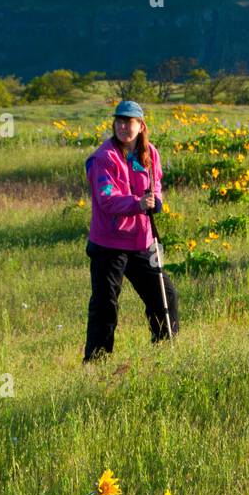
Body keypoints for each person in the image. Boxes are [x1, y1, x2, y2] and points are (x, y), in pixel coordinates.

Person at [83, 100, 179, 363]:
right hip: (108, 244)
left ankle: (165, 352)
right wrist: (136, 203)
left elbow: (155, 184)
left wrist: (155, 200)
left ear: (141, 125)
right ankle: (96, 363)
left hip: (141, 241)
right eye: (120, 121)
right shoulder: (103, 158)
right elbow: (106, 198)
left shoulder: (150, 154)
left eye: (130, 121)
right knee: (105, 305)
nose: (124, 126)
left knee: (164, 295)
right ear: (114, 124)